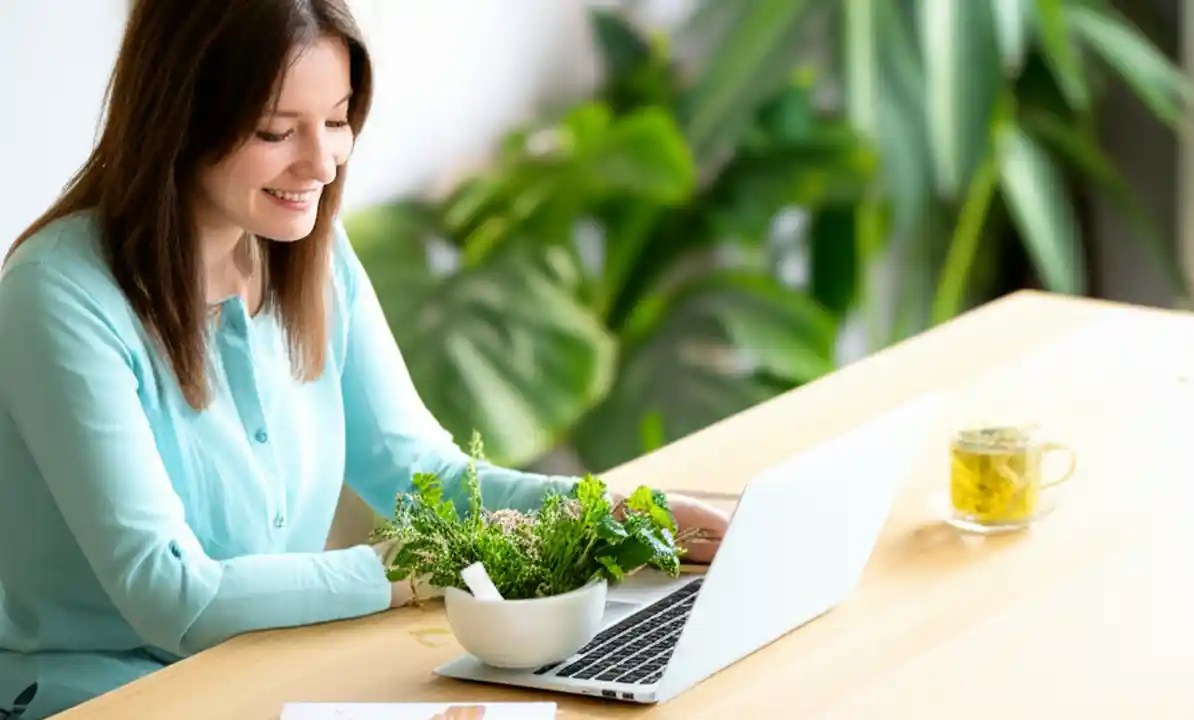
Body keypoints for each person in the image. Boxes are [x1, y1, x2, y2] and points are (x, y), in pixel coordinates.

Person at [0, 1, 730, 717]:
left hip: (264, 672)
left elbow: (429, 479)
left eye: (338, 120)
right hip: (99, 697)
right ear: (178, 115)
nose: (321, 164)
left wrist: (611, 519)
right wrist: (414, 568)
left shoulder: (309, 255)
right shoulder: (58, 295)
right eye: (275, 131)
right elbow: (172, 595)